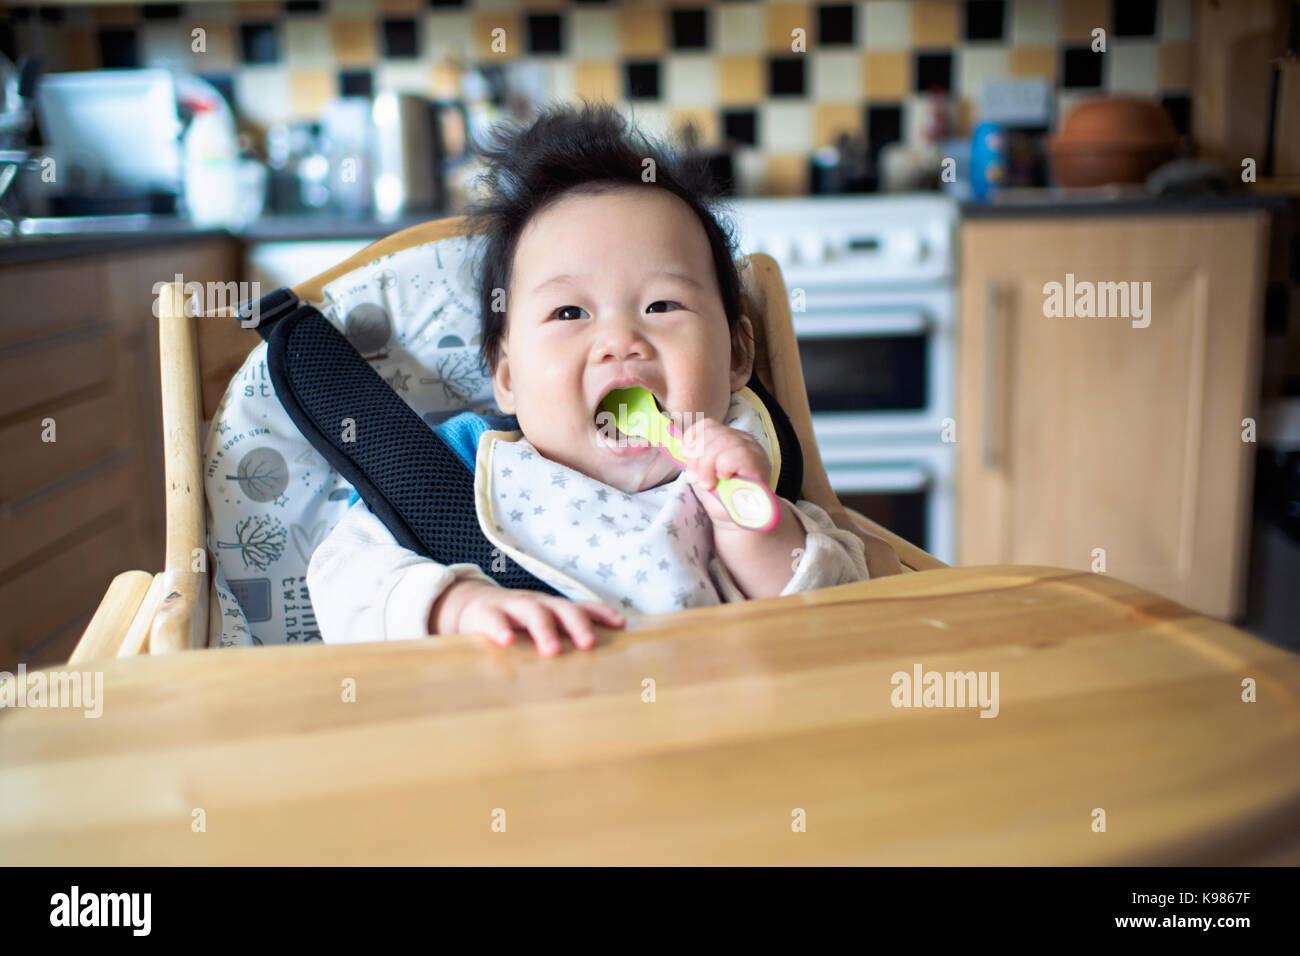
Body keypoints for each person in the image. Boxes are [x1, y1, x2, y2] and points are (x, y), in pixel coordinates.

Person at [307, 102, 888, 655]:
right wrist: (455, 607)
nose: (620, 342)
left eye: (662, 305)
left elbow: (836, 612)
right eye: (569, 313)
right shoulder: (465, 472)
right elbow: (341, 575)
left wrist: (751, 529)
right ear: (508, 376)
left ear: (737, 355)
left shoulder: (740, 468)